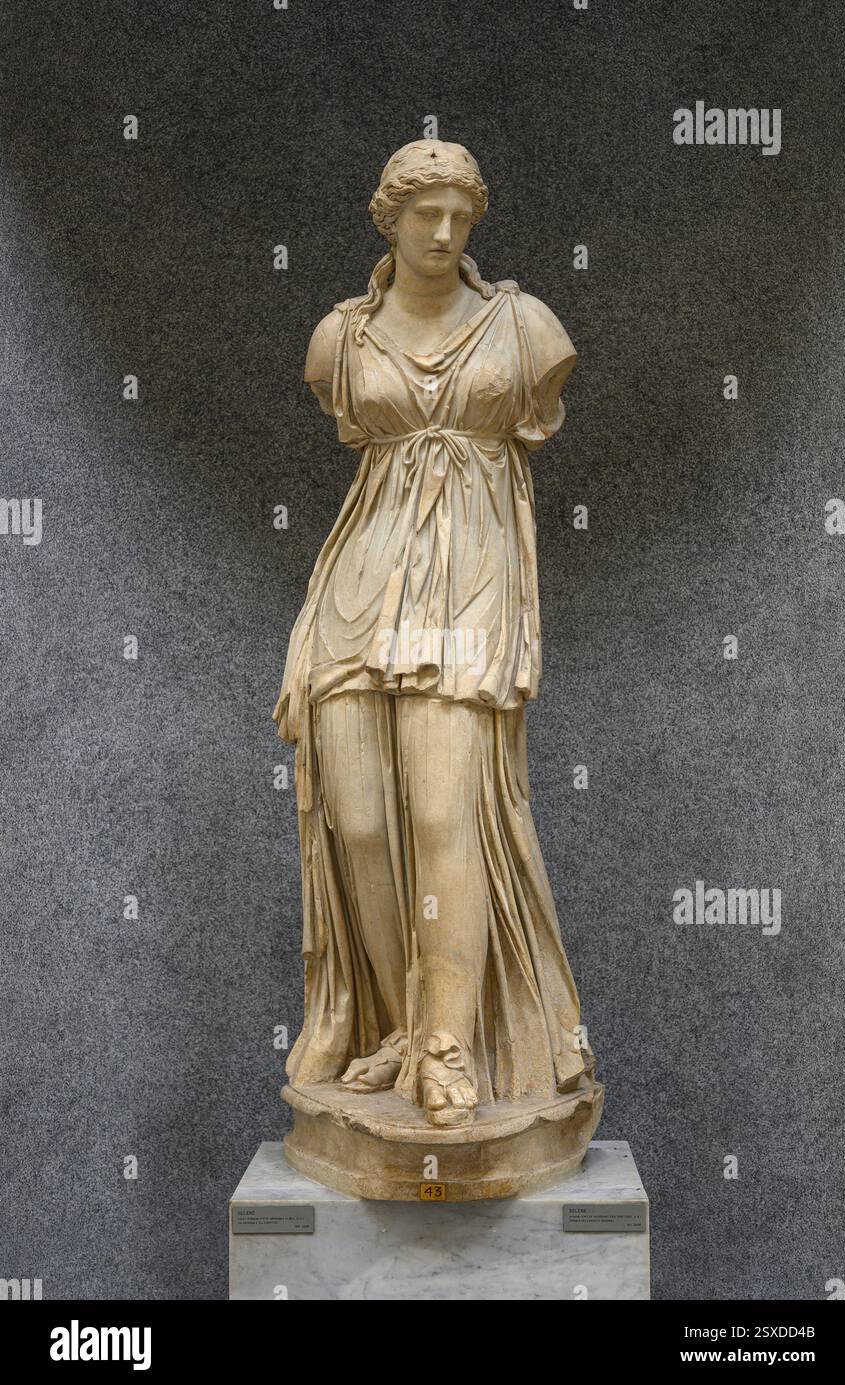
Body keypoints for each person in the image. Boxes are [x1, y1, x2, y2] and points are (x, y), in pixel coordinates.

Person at [274, 139, 599, 1128]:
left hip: (471, 579)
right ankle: (398, 1024)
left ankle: (448, 1042)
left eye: (463, 213)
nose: (447, 231)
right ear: (389, 217)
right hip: (358, 577)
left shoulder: (523, 328)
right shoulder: (341, 339)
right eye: (427, 213)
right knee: (359, 815)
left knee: (442, 810)